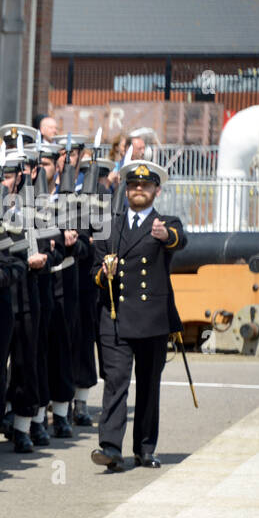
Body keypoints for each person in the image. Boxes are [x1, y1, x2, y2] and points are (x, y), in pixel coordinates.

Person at [91, 160, 185, 471]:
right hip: (115, 315)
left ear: (157, 190)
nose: (139, 190)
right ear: (126, 190)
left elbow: (180, 240)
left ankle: (145, 448)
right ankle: (110, 447)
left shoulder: (165, 223)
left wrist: (164, 235)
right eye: (133, 185)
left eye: (145, 186)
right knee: (116, 381)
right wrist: (104, 273)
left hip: (151, 318)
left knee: (148, 384)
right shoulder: (110, 224)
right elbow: (93, 271)